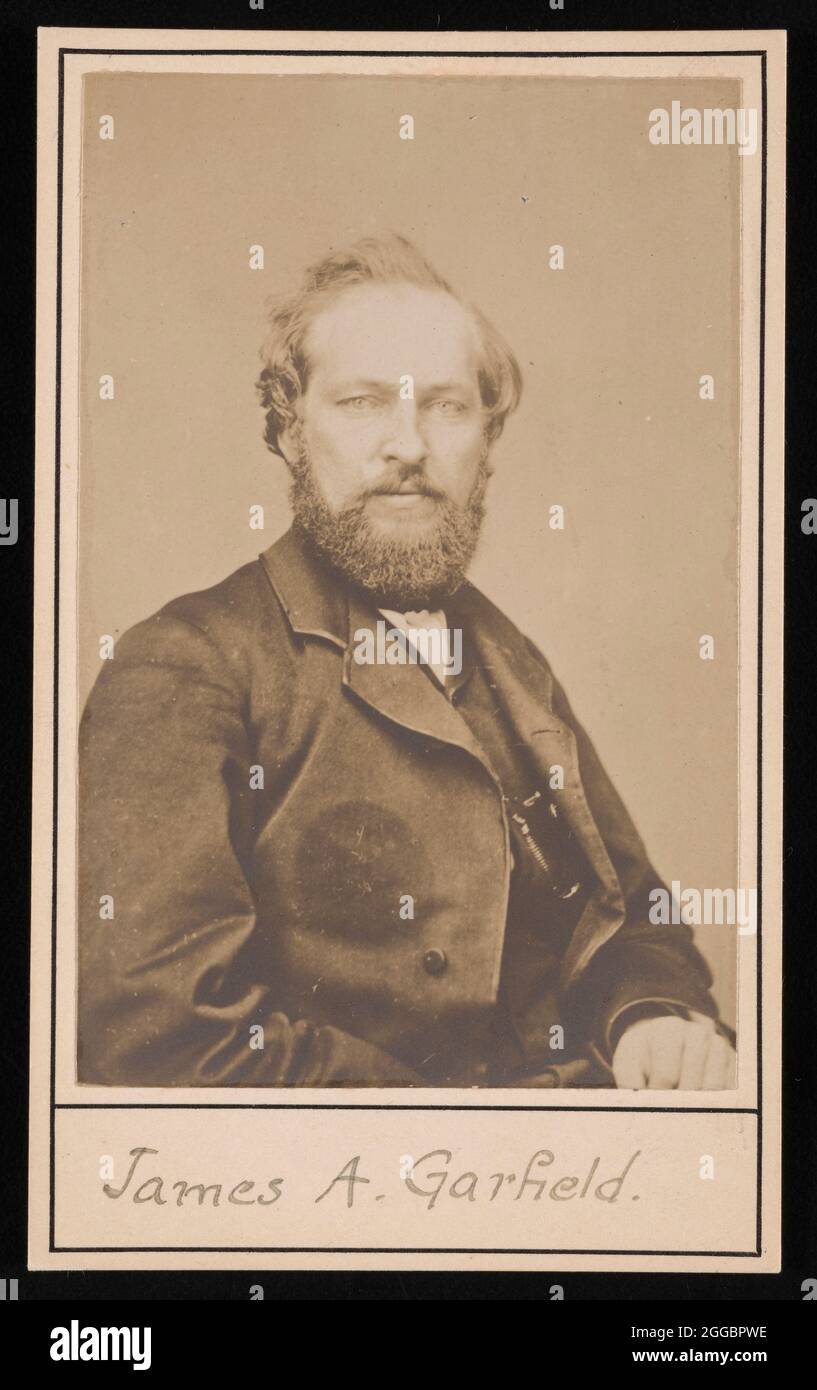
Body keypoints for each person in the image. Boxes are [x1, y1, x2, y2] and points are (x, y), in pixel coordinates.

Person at [78, 233, 736, 1089]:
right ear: (286, 430)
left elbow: (636, 921)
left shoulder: (509, 662)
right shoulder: (186, 666)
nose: (409, 445)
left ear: (486, 444)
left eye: (445, 406)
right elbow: (162, 1040)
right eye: (361, 404)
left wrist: (647, 1017)